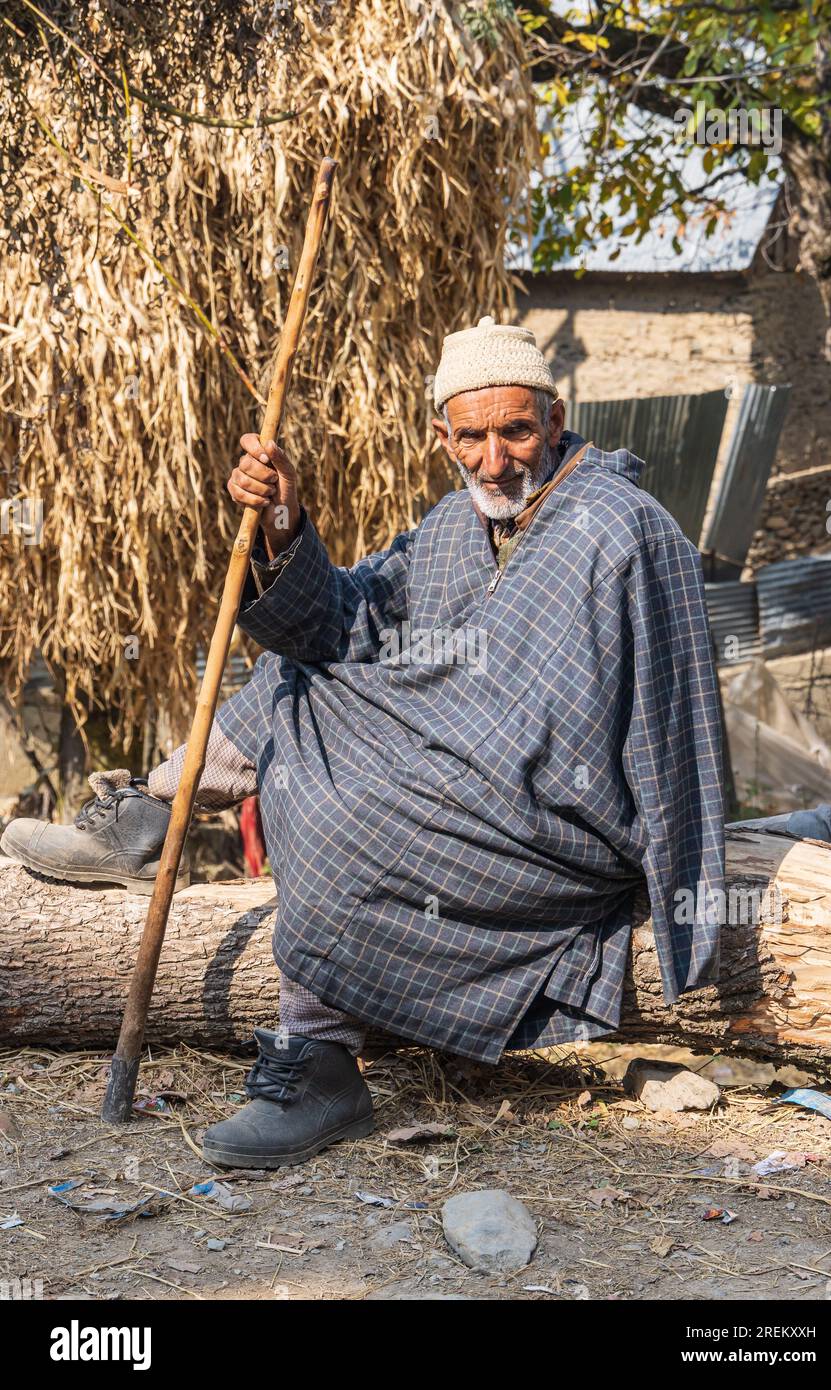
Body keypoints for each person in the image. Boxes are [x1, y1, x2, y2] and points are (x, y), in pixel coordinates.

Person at [2, 316, 726, 1168]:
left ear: (557, 417)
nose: (497, 461)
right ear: (442, 436)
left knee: (336, 793)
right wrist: (284, 521)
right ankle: (151, 818)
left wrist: (691, 905)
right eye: (472, 437)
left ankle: (314, 1057)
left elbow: (681, 721)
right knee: (302, 675)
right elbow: (341, 620)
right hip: (453, 787)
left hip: (552, 830)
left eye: (517, 431)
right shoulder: (457, 526)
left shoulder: (625, 529)